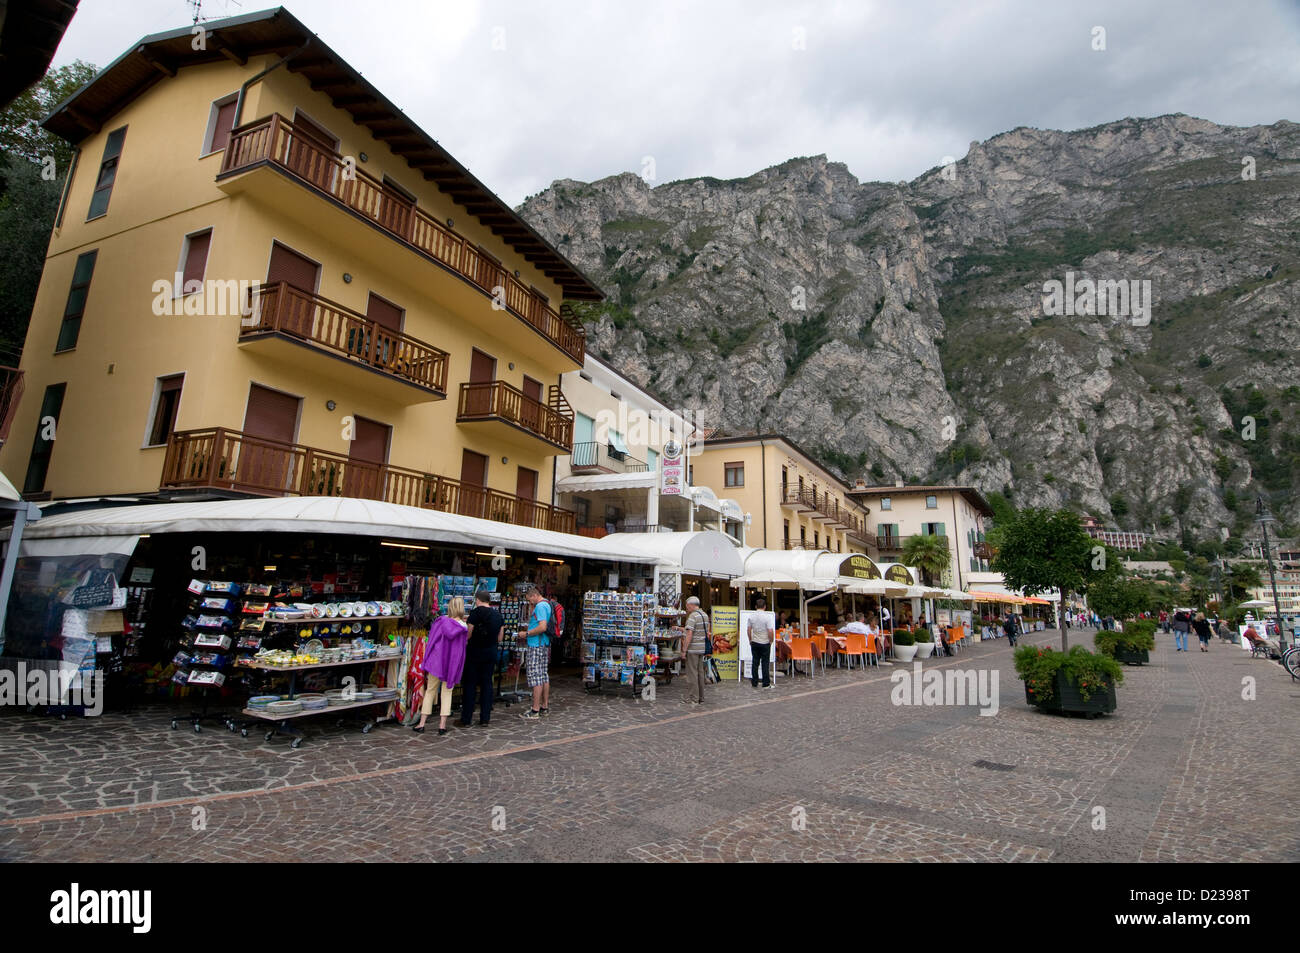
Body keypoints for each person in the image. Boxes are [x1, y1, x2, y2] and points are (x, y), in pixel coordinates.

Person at [414, 596, 469, 736]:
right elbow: (461, 649)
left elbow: (432, 641)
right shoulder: (464, 627)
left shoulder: (441, 622)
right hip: (451, 664)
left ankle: (421, 723)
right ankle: (442, 725)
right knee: (447, 692)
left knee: (430, 691)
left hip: (437, 663)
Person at [461, 589, 504, 726]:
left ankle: (466, 718)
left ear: (478, 599)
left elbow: (469, 634)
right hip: (490, 652)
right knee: (487, 684)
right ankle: (485, 718)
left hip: (474, 652)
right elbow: (500, 638)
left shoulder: (475, 613)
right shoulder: (498, 616)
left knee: (470, 684)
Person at [518, 587, 552, 720]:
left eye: (529, 600)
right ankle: (544, 706)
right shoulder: (547, 604)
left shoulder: (541, 607)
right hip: (542, 643)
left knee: (536, 676)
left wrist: (526, 633)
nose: (530, 603)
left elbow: (542, 626)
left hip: (536, 644)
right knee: (543, 675)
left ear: (533, 596)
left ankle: (535, 709)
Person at [682, 596, 710, 705]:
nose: (687, 608)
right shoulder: (704, 615)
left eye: (687, 606)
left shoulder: (693, 616)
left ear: (692, 605)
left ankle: (693, 697)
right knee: (700, 673)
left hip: (693, 648)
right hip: (702, 647)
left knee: (692, 673)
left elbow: (689, 633)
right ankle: (701, 696)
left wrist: (684, 649)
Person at [747, 596, 774, 688]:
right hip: (765, 642)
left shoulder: (751, 616)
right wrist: (771, 640)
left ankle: (754, 682)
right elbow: (770, 631)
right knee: (765, 663)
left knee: (755, 662)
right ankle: (766, 683)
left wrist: (750, 639)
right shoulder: (767, 617)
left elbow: (749, 629)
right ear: (765, 606)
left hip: (755, 641)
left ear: (755, 606)